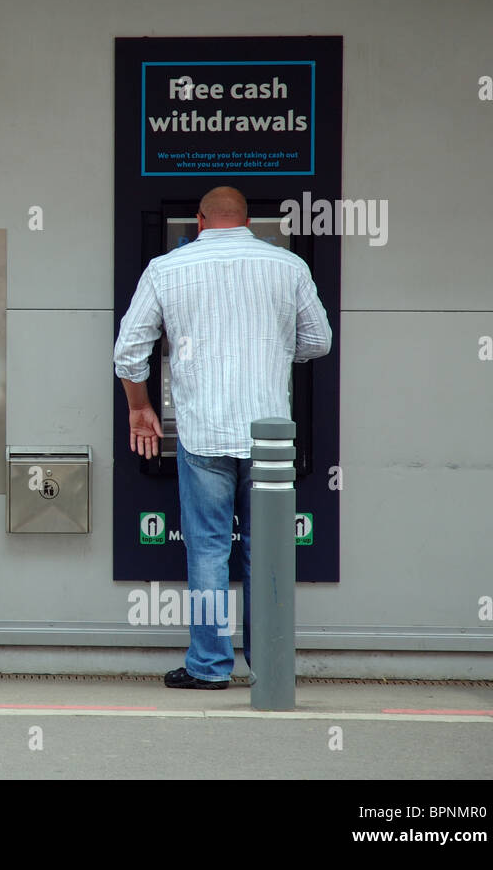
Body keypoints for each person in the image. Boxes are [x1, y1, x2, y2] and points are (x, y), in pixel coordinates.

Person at [113, 186, 332, 688]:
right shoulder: (287, 266)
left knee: (208, 550)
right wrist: (277, 354)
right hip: (270, 439)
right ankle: (270, 664)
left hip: (204, 433)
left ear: (200, 220)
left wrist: (140, 407)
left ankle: (209, 667)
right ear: (247, 221)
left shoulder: (167, 268)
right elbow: (318, 341)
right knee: (268, 548)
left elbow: (129, 352)